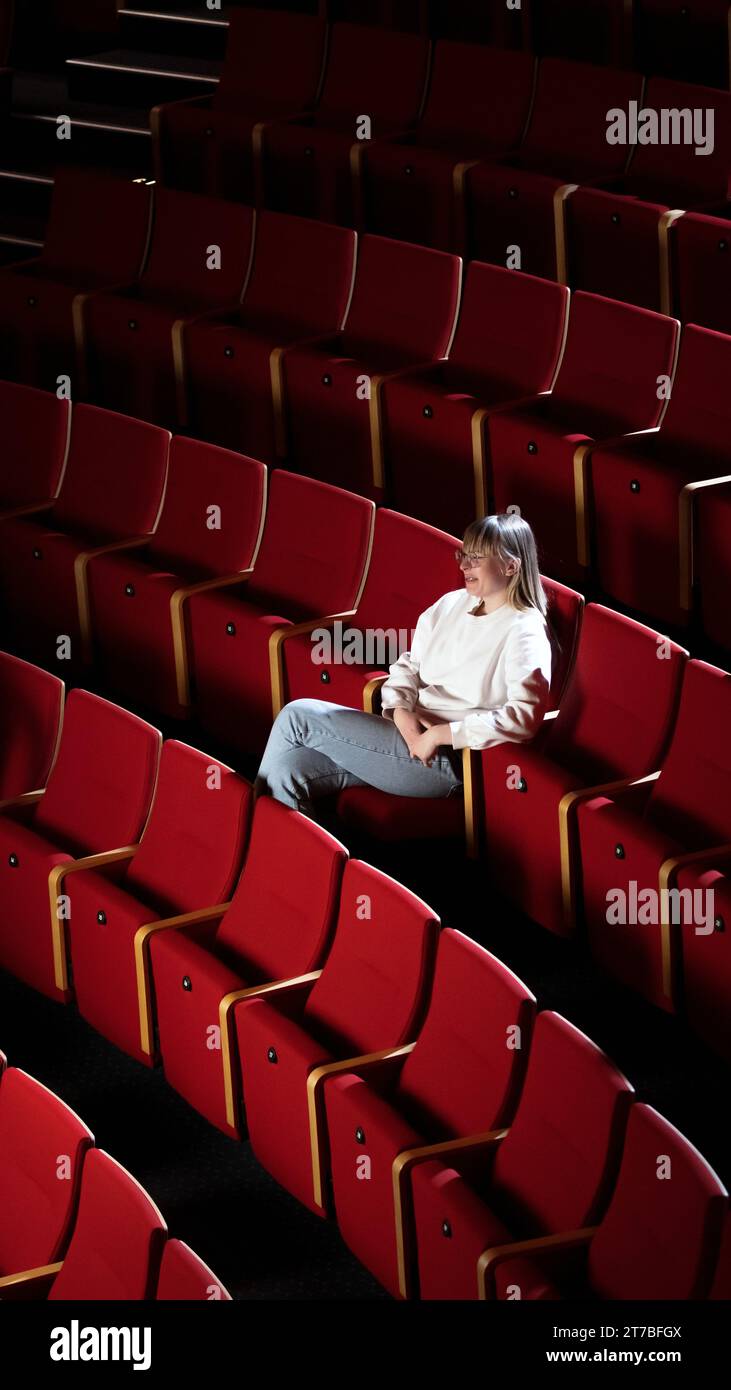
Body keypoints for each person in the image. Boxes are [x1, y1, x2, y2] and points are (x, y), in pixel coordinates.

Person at [254, 512, 553, 819]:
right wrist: (401, 711)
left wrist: (439, 735)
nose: (464, 565)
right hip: (405, 737)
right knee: (284, 770)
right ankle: (287, 862)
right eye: (464, 554)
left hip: (447, 760)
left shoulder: (524, 629)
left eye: (477, 557)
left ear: (511, 566)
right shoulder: (452, 603)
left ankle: (245, 836)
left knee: (296, 716)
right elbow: (408, 666)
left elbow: (524, 716)